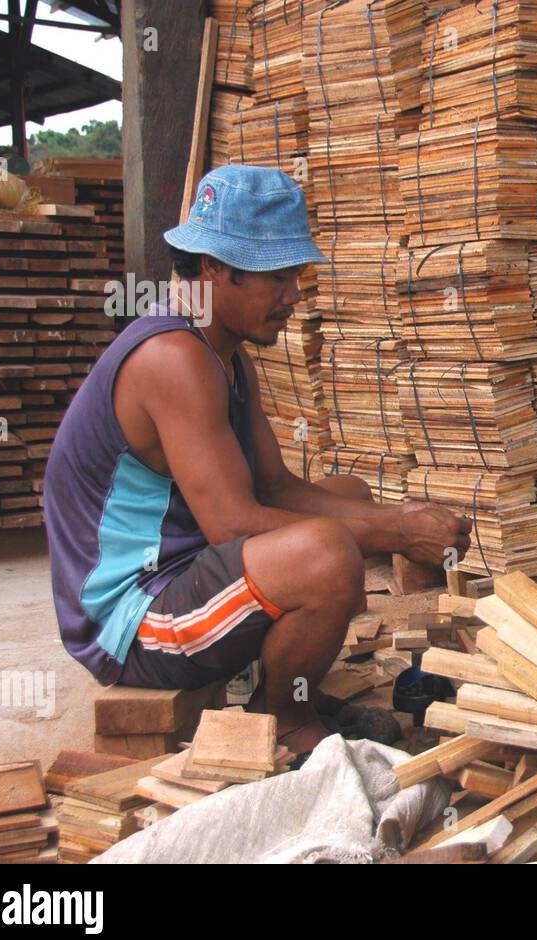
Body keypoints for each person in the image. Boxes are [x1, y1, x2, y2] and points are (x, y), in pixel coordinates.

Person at [44, 165, 471, 754]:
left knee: (350, 498)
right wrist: (397, 533)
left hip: (186, 574)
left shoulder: (222, 353)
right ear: (216, 269)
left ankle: (289, 690)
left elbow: (274, 486)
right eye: (279, 276)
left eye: (296, 273)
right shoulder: (172, 358)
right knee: (327, 555)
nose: (295, 294)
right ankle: (289, 721)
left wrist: (400, 517)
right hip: (132, 622)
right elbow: (235, 524)